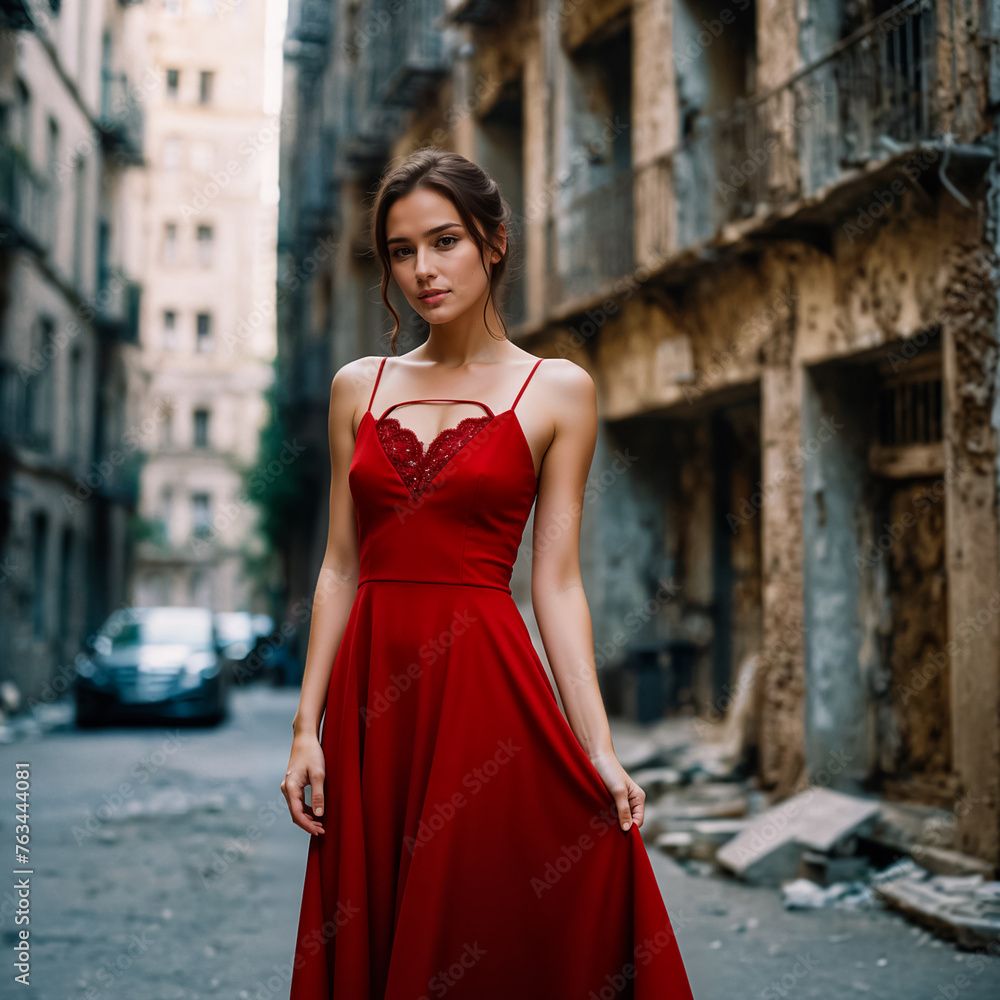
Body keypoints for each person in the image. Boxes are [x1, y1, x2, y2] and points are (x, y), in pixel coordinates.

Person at [282, 148, 694, 998]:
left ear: (493, 243)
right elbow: (338, 566)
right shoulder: (357, 386)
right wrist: (305, 727)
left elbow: (558, 583)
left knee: (477, 911)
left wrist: (600, 746)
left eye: (445, 242)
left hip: (483, 684)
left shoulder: (560, 389)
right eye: (402, 251)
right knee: (377, 916)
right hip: (371, 694)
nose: (423, 271)